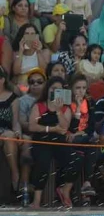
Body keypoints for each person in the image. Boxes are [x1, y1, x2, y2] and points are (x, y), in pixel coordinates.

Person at [27, 76, 78, 208]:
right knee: (42, 162)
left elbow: (64, 128)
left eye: (58, 90)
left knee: (75, 159)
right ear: (48, 89)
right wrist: (50, 129)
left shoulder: (65, 109)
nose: (55, 92)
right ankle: (37, 200)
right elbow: (32, 126)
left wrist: (58, 111)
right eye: (53, 89)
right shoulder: (39, 105)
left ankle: (65, 190)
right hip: (41, 141)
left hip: (59, 142)